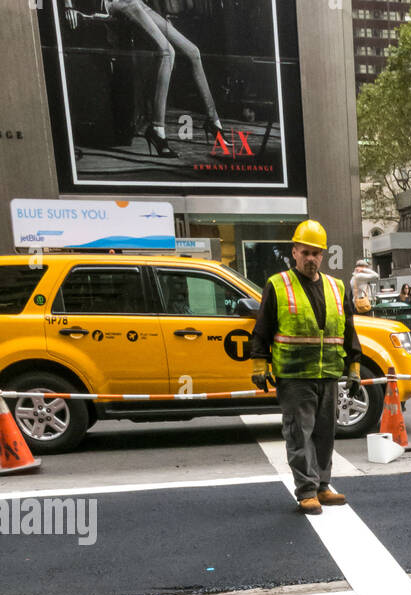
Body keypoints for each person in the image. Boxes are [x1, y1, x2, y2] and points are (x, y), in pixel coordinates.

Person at [249, 219, 361, 515]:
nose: (311, 259)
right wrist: (260, 364)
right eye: (306, 252)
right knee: (299, 433)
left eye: (317, 253)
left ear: (322, 255)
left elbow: (349, 330)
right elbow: (262, 328)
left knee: (325, 434)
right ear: (294, 252)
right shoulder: (278, 285)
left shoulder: (336, 287)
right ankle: (306, 490)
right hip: (295, 375)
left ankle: (323, 486)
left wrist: (354, 367)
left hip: (327, 373)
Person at [66, 0, 223, 156]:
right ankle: (157, 128)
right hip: (120, 4)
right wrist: (68, 6)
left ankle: (214, 121)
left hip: (138, 3)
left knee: (193, 52)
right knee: (167, 52)